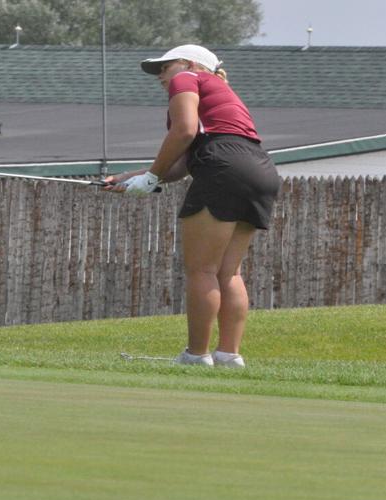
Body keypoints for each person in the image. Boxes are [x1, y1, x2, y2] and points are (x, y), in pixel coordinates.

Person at [104, 45, 281, 368]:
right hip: (259, 170)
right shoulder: (220, 92)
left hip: (222, 169)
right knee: (228, 272)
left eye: (165, 67)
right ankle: (229, 356)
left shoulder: (187, 78)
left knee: (202, 270)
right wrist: (135, 177)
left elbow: (183, 131)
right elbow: (184, 163)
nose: (160, 75)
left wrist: (151, 177)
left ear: (188, 63)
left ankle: (196, 355)